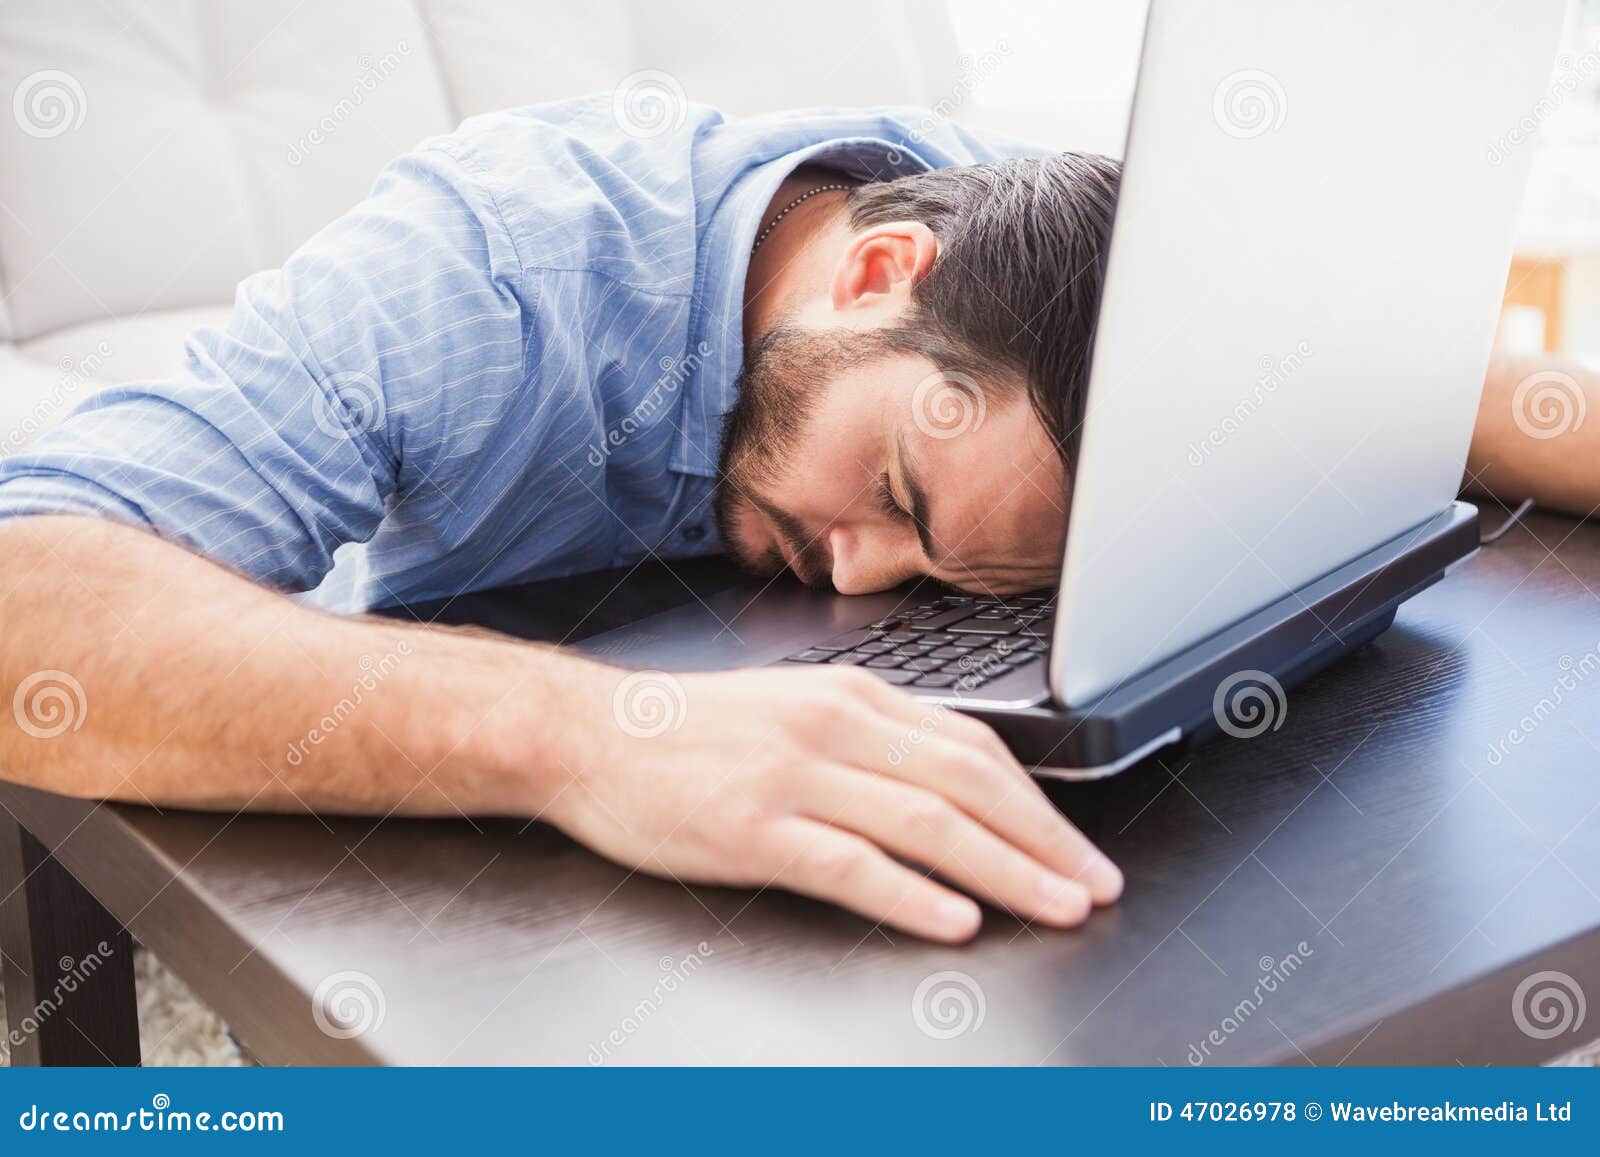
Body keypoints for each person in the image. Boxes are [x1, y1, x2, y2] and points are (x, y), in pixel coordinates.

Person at [0, 101, 1586, 943]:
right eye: (895, 494)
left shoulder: (1019, 237)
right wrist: (592, 733)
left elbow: (1407, 376)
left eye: (952, 569)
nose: (862, 582)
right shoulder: (478, 278)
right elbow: (29, 602)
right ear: (880, 274)